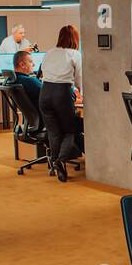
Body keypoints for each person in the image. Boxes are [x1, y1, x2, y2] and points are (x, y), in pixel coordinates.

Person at [37, 25, 84, 182]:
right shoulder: (75, 54)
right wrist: (81, 93)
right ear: (75, 39)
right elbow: (79, 79)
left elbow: (43, 72)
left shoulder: (49, 52)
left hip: (44, 93)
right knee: (70, 131)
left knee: (54, 132)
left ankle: (57, 165)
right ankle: (60, 161)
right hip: (61, 94)